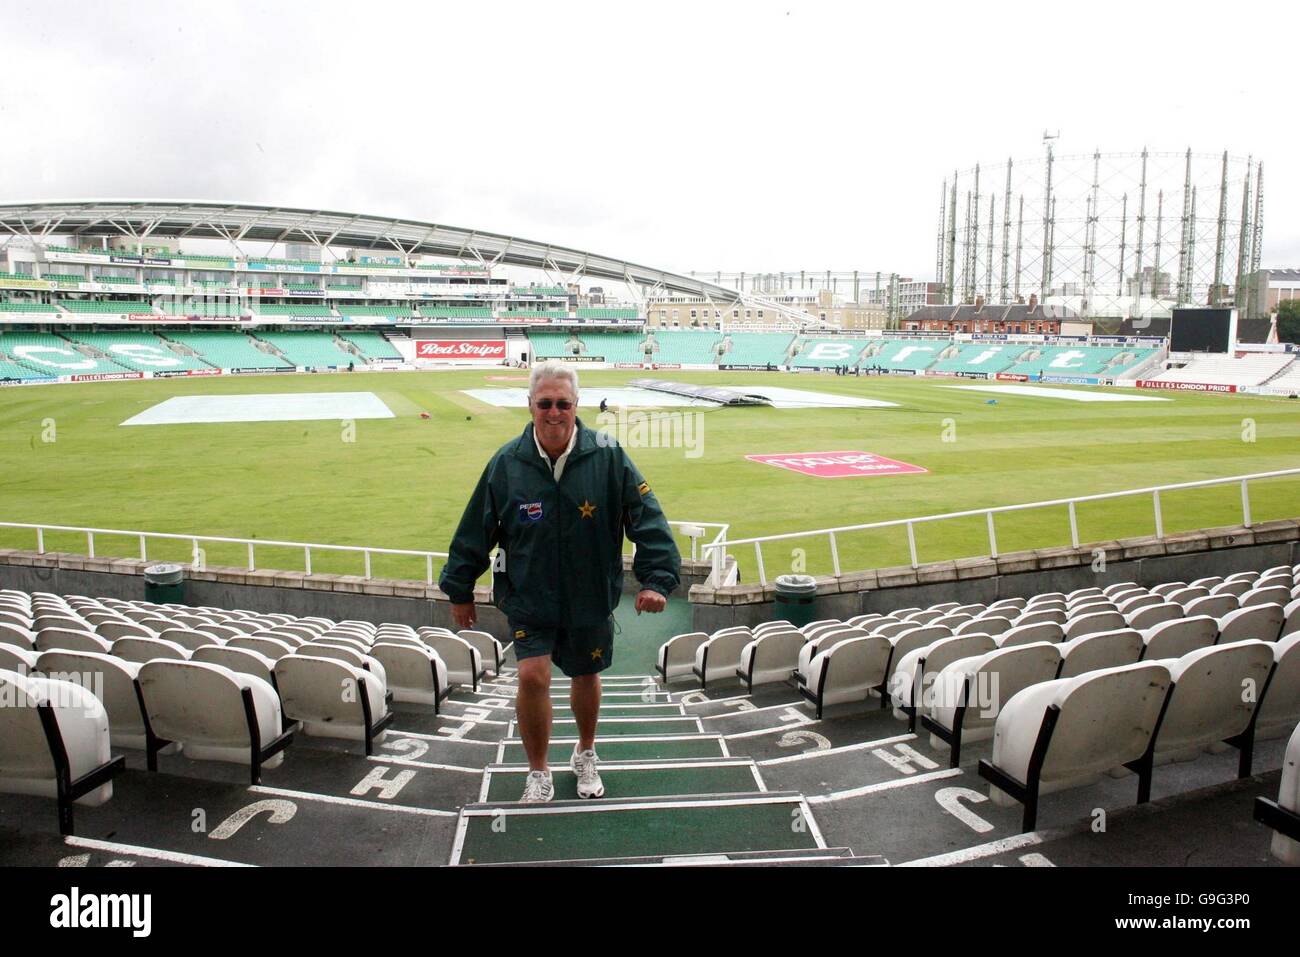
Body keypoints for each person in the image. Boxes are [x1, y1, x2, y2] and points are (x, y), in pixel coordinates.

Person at [439, 362, 680, 802]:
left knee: (586, 674)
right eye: (545, 403)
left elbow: (647, 518)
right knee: (532, 677)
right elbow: (477, 527)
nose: (554, 413)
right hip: (528, 593)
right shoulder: (506, 463)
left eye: (563, 404)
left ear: (576, 405)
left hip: (589, 592)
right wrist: (460, 588)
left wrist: (656, 580)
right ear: (530, 405)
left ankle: (586, 752)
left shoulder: (609, 455)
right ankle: (537, 770)